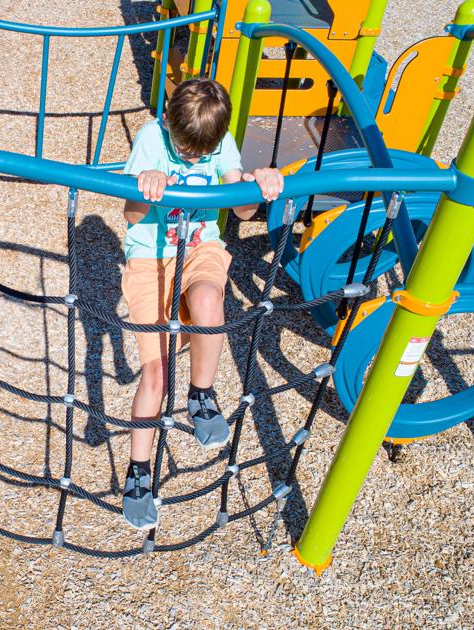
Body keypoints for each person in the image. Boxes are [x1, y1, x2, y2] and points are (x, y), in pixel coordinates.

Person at [119, 79, 284, 530]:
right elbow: (130, 215)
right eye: (183, 151)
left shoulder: (221, 142)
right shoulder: (152, 138)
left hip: (199, 248)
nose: (192, 160)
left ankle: (201, 394)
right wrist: (144, 187)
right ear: (167, 121)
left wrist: (259, 183)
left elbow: (243, 211)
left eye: (201, 154)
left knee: (209, 299)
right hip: (150, 255)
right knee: (156, 372)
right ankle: (139, 471)